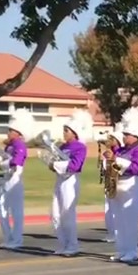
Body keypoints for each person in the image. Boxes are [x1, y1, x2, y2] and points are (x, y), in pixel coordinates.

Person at [109, 107, 138, 263]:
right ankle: (121, 249)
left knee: (130, 222)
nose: (124, 137)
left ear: (136, 136)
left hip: (132, 185)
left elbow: (136, 168)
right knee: (118, 221)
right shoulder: (121, 150)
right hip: (119, 185)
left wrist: (116, 161)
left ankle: (132, 251)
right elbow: (115, 167)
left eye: (127, 135)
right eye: (124, 134)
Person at [49, 109, 91, 256]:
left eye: (66, 130)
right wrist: (51, 163)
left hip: (70, 181)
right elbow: (56, 161)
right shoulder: (62, 147)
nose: (64, 133)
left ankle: (72, 245)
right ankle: (62, 244)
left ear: (74, 132)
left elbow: (75, 165)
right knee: (55, 214)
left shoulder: (80, 147)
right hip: (60, 180)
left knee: (67, 214)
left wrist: (55, 165)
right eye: (64, 130)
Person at [0, 110, 34, 250]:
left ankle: (17, 239)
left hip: (15, 178)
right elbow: (6, 160)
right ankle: (8, 238)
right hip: (6, 178)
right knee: (1, 209)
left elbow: (16, 162)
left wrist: (2, 163)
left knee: (16, 211)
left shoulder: (19, 145)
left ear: (18, 132)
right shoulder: (9, 145)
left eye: (11, 130)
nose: (8, 132)